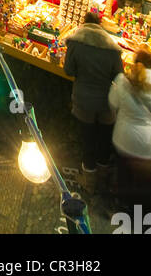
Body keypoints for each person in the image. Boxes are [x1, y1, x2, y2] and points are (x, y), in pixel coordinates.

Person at [63, 11, 122, 189]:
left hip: (83, 101)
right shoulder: (112, 48)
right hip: (107, 103)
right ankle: (103, 178)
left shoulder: (75, 42)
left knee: (88, 140)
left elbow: (68, 70)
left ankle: (89, 182)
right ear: (100, 25)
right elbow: (119, 76)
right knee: (104, 140)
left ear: (84, 23)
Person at [109, 45, 151, 208]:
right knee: (144, 185)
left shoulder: (122, 80)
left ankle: (120, 205)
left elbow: (112, 103)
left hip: (124, 140)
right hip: (148, 146)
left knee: (123, 175)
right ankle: (140, 214)